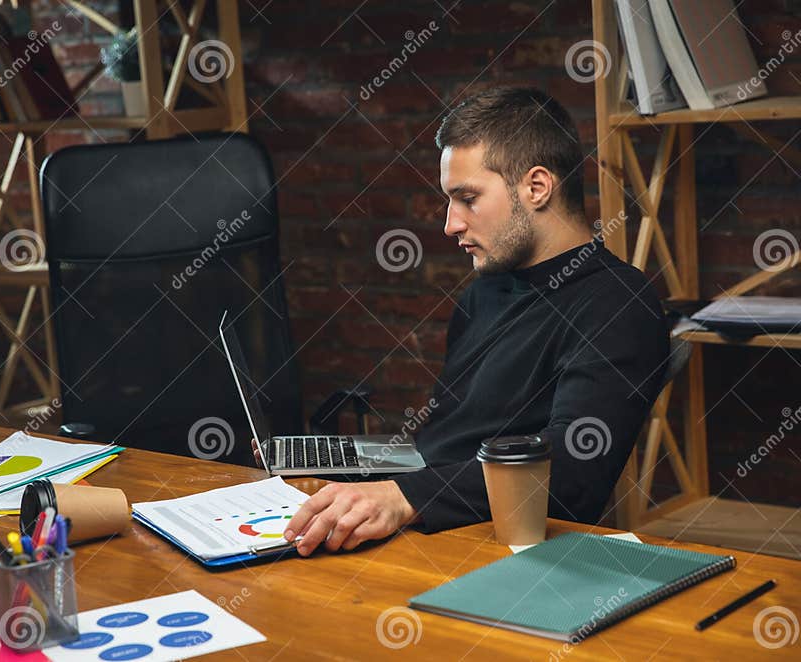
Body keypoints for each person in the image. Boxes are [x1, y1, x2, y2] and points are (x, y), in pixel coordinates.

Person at [280, 86, 670, 556]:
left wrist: (403, 497)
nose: (450, 224)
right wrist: (359, 475)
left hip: (491, 544)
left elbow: (571, 471)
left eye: (467, 198)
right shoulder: (485, 291)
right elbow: (449, 436)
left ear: (537, 187)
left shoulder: (620, 304)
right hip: (420, 513)